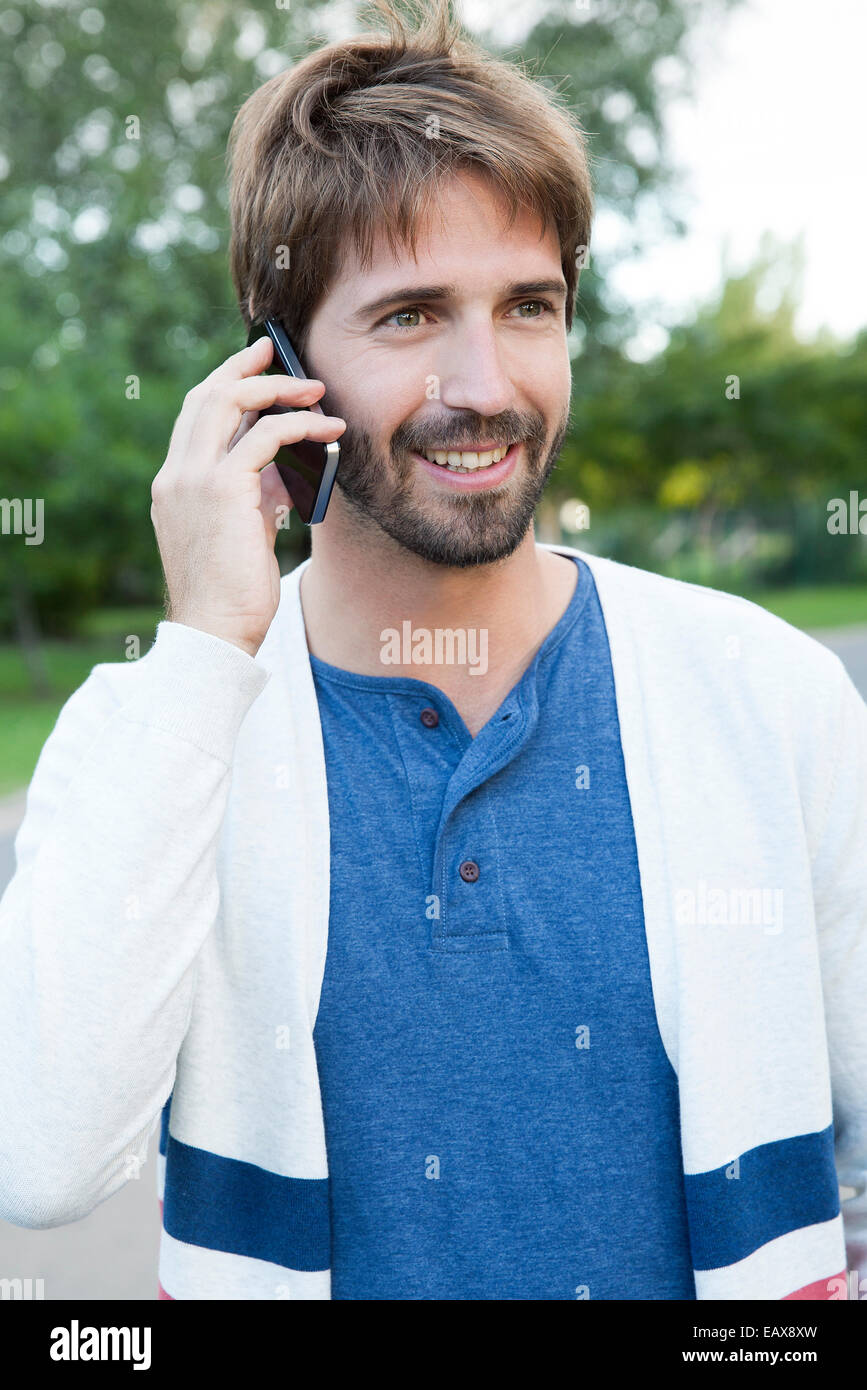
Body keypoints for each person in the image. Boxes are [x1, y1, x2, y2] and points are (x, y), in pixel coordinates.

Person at [1, 0, 865, 1302]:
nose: (487, 383)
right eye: (410, 316)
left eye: (528, 305)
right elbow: (39, 1156)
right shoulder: (171, 734)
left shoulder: (768, 694)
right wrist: (201, 651)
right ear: (275, 366)